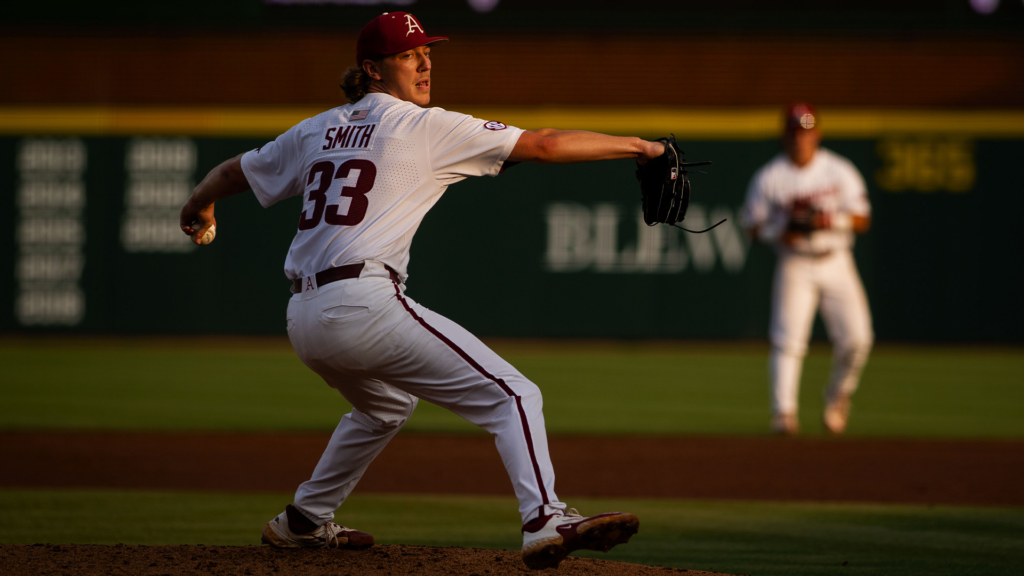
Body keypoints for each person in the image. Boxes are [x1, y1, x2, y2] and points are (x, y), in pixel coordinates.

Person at [179, 11, 661, 570]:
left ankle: (305, 520)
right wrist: (642, 148)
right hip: (362, 302)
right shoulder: (421, 126)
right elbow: (546, 144)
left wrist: (198, 206)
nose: (426, 61)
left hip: (304, 316)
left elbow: (235, 171)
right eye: (409, 54)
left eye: (427, 52)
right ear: (373, 69)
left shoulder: (318, 128)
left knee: (385, 407)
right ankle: (544, 518)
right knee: (513, 394)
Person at [741, 102, 873, 436]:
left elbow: (862, 218)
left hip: (836, 259)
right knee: (788, 341)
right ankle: (783, 415)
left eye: (806, 131)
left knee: (858, 339)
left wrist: (830, 219)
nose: (801, 138)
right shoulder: (770, 176)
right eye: (795, 131)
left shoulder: (839, 170)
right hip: (795, 262)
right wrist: (779, 232)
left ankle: (839, 393)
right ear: (785, 136)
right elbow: (752, 226)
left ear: (818, 134)